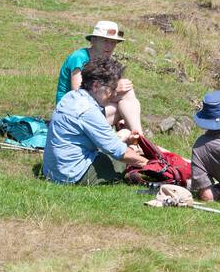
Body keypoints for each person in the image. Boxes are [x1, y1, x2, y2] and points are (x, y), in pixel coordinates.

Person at [43, 55, 149, 184]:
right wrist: (148, 164)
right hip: (73, 174)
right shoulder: (87, 110)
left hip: (52, 171)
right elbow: (118, 151)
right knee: (126, 161)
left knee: (125, 141)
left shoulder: (71, 96)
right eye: (112, 89)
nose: (115, 94)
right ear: (95, 86)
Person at [54, 20, 146, 139]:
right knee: (124, 106)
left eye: (113, 42)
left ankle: (136, 136)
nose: (109, 46)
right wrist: (114, 89)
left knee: (128, 95)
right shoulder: (80, 58)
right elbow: (78, 94)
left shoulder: (105, 60)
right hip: (72, 114)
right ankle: (134, 138)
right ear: (93, 41)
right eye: (105, 41)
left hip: (89, 109)